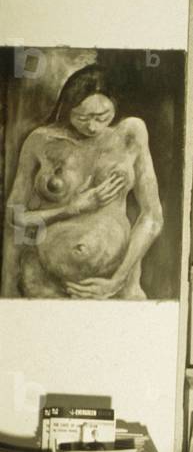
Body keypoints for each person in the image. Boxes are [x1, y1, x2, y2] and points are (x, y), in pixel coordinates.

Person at [4, 63, 164, 299]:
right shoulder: (39, 141)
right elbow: (14, 217)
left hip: (117, 284)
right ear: (66, 108)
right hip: (45, 283)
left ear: (115, 106)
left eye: (102, 117)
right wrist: (72, 208)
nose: (92, 126)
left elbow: (152, 217)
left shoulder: (131, 133)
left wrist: (117, 280)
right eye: (82, 117)